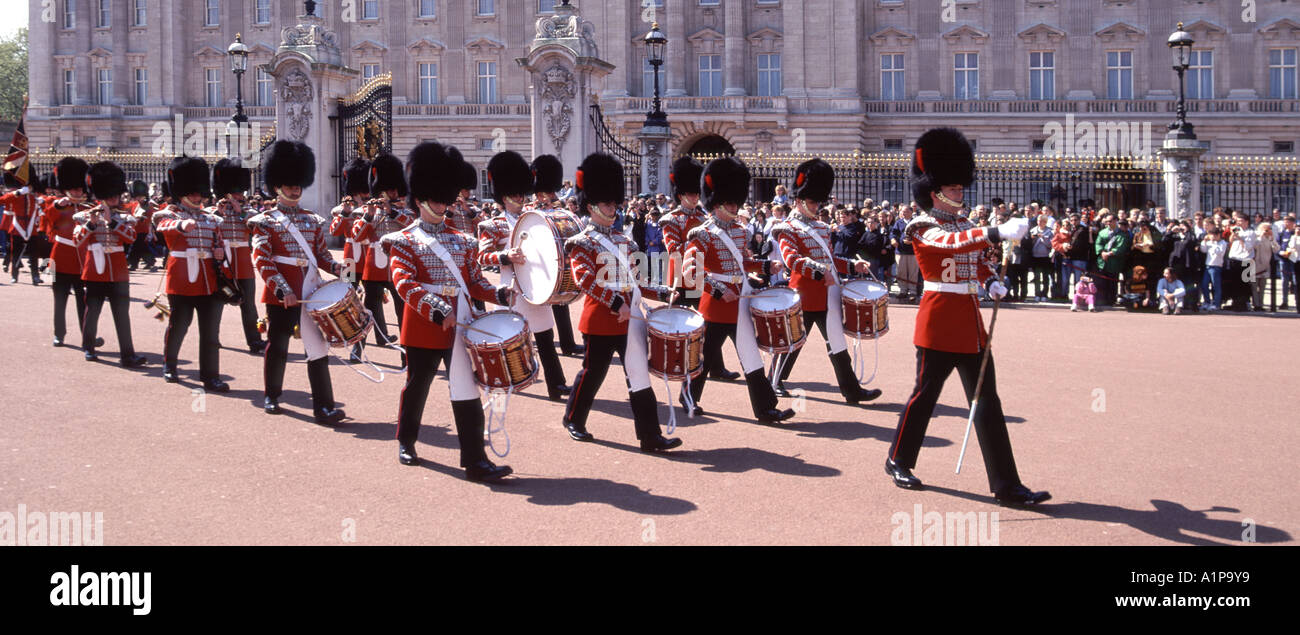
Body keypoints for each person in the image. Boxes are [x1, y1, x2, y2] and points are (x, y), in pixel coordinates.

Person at [886, 127, 1049, 507]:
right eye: (954, 189)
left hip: (971, 325)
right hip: (939, 322)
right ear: (935, 191)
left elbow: (973, 261)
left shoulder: (962, 223)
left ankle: (1007, 484)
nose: (960, 194)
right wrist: (995, 230)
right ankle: (898, 459)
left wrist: (992, 281)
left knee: (987, 401)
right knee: (924, 397)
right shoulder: (921, 225)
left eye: (961, 188)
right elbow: (951, 245)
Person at [381, 141, 515, 481]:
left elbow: (473, 283)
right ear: (420, 197)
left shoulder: (463, 241)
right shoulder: (404, 240)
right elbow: (404, 284)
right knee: (418, 386)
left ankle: (475, 460)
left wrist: (501, 294)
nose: (442, 205)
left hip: (460, 326)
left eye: (445, 198)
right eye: (436, 198)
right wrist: (437, 308)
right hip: (426, 325)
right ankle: (406, 441)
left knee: (466, 389)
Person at [560, 152, 682, 452]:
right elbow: (585, 280)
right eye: (606, 204)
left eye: (614, 203)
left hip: (631, 322)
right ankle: (574, 419)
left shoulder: (625, 242)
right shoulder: (581, 242)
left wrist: (664, 292)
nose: (613, 209)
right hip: (601, 321)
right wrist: (617, 304)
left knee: (639, 374)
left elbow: (637, 280)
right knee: (593, 374)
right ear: (591, 206)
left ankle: (650, 436)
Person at [682, 156, 794, 423]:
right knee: (705, 359)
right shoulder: (702, 234)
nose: (734, 207)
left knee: (750, 356)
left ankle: (765, 408)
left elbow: (743, 262)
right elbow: (691, 272)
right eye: (729, 203)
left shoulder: (740, 232)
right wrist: (720, 290)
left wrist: (767, 266)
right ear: (716, 203)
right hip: (716, 305)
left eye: (735, 202)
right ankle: (688, 397)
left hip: (740, 302)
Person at [249, 141, 346, 424]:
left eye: (297, 185)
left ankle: (324, 407)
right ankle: (272, 395)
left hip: (311, 291)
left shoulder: (312, 220)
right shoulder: (265, 221)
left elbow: (322, 256)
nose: (295, 190)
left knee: (318, 347)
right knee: (278, 345)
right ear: (277, 186)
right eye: (289, 185)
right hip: (284, 293)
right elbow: (263, 260)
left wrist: (346, 273)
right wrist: (283, 289)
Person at [770, 158, 880, 404]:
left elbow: (830, 259)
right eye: (812, 201)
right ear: (798, 201)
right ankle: (775, 381)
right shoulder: (787, 227)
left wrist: (852, 265)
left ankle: (851, 390)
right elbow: (792, 260)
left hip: (827, 295)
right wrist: (821, 271)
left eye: (818, 200)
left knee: (837, 344)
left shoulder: (821, 227)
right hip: (805, 295)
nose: (817, 205)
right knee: (794, 342)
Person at [475, 150, 571, 401]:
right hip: (513, 288)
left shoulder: (534, 217)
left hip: (537, 283)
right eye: (513, 194)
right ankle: (511, 377)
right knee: (513, 337)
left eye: (521, 193)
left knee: (546, 336)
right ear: (503, 197)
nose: (519, 198)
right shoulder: (491, 225)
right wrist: (506, 256)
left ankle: (556, 384)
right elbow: (482, 257)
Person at [152, 156, 228, 390]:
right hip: (182, 279)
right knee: (179, 324)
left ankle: (210, 375)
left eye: (200, 194)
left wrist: (219, 253)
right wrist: (180, 225)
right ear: (182, 192)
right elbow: (161, 226)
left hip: (209, 281)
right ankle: (169, 365)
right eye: (192, 193)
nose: (197, 198)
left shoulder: (212, 219)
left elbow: (220, 244)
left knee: (210, 331)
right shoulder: (170, 214)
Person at [660, 156, 738, 380]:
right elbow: (674, 249)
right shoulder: (671, 220)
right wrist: (697, 242)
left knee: (709, 324)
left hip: (703, 276)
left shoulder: (704, 217)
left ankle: (715, 367)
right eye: (690, 194)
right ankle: (679, 363)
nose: (695, 198)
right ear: (681, 195)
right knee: (682, 324)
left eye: (696, 193)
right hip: (682, 278)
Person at [74, 161, 147, 367]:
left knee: (122, 315)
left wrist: (113, 222)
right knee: (92, 312)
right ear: (100, 196)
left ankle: (128, 354)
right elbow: (77, 240)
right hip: (95, 271)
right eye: (109, 195)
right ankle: (88, 347)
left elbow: (131, 237)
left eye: (115, 195)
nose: (113, 198)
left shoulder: (124, 216)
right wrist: (92, 224)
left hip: (117, 272)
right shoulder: (84, 216)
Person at [350, 152, 413, 357]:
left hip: (399, 266)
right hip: (374, 268)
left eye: (395, 190)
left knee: (403, 312)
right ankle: (357, 350)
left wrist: (393, 212)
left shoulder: (405, 211)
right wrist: (370, 215)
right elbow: (357, 236)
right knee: (367, 312)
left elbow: (412, 227)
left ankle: (407, 354)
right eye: (389, 189)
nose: (393, 193)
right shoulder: (369, 211)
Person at [525, 154, 585, 356]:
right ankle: (532, 341)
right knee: (534, 307)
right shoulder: (529, 209)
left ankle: (567, 343)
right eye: (545, 191)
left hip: (554, 260)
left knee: (561, 302)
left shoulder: (558, 207)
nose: (549, 195)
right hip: (534, 263)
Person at [211, 158, 267, 355]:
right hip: (222, 262)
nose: (238, 195)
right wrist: (220, 213)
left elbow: (256, 225)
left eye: (240, 191)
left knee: (248, 304)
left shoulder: (248, 210)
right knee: (218, 302)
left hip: (242, 261)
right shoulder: (214, 211)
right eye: (235, 191)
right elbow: (208, 227)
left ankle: (254, 340)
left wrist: (240, 211)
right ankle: (212, 338)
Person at [43, 158, 98, 349]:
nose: (77, 192)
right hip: (59, 258)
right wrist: (59, 205)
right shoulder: (55, 203)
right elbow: (48, 219)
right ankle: (59, 334)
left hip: (82, 260)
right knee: (59, 300)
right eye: (74, 189)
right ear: (66, 188)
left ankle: (87, 337)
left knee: (84, 302)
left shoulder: (87, 207)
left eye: (79, 189)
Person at [1, 173, 42, 284]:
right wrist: (17, 193)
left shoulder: (35, 196)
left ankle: (35, 276)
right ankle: (14, 275)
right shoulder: (16, 195)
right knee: (16, 253)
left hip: (31, 227)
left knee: (34, 255)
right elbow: (2, 200)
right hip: (17, 227)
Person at [1094, 212, 1129, 307]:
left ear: (1115, 221)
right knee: (1102, 282)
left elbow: (1121, 247)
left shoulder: (1122, 234)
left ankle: (1111, 300)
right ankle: (1102, 300)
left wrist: (1109, 253)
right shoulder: (1102, 232)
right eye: (1106, 222)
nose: (1108, 223)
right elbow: (1098, 243)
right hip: (1103, 261)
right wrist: (1102, 252)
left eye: (1110, 221)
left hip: (1114, 262)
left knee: (1113, 282)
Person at [125, 180, 158, 272]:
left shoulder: (148, 205)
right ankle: (150, 260)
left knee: (135, 247)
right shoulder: (136, 204)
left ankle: (133, 264)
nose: (139, 198)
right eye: (137, 196)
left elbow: (149, 217)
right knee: (142, 247)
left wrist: (140, 217)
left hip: (143, 229)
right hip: (135, 228)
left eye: (140, 196)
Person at [1252, 221, 1279, 312]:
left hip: (1265, 265)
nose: (1268, 231)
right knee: (1254, 287)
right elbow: (1254, 246)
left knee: (1262, 287)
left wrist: (1271, 238)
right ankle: (1256, 304)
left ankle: (1261, 304)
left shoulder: (1270, 238)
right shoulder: (1256, 236)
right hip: (1255, 264)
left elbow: (1276, 249)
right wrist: (1261, 236)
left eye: (1269, 229)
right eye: (1266, 229)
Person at [1198, 227, 1227, 311]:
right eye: (1210, 235)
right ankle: (1207, 301)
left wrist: (1214, 243)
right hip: (1208, 265)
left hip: (1216, 266)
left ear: (1218, 235)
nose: (1211, 237)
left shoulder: (1222, 243)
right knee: (1204, 284)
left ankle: (1216, 303)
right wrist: (1204, 241)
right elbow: (1203, 250)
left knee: (1216, 286)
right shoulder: (1209, 242)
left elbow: (1220, 253)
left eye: (1213, 235)